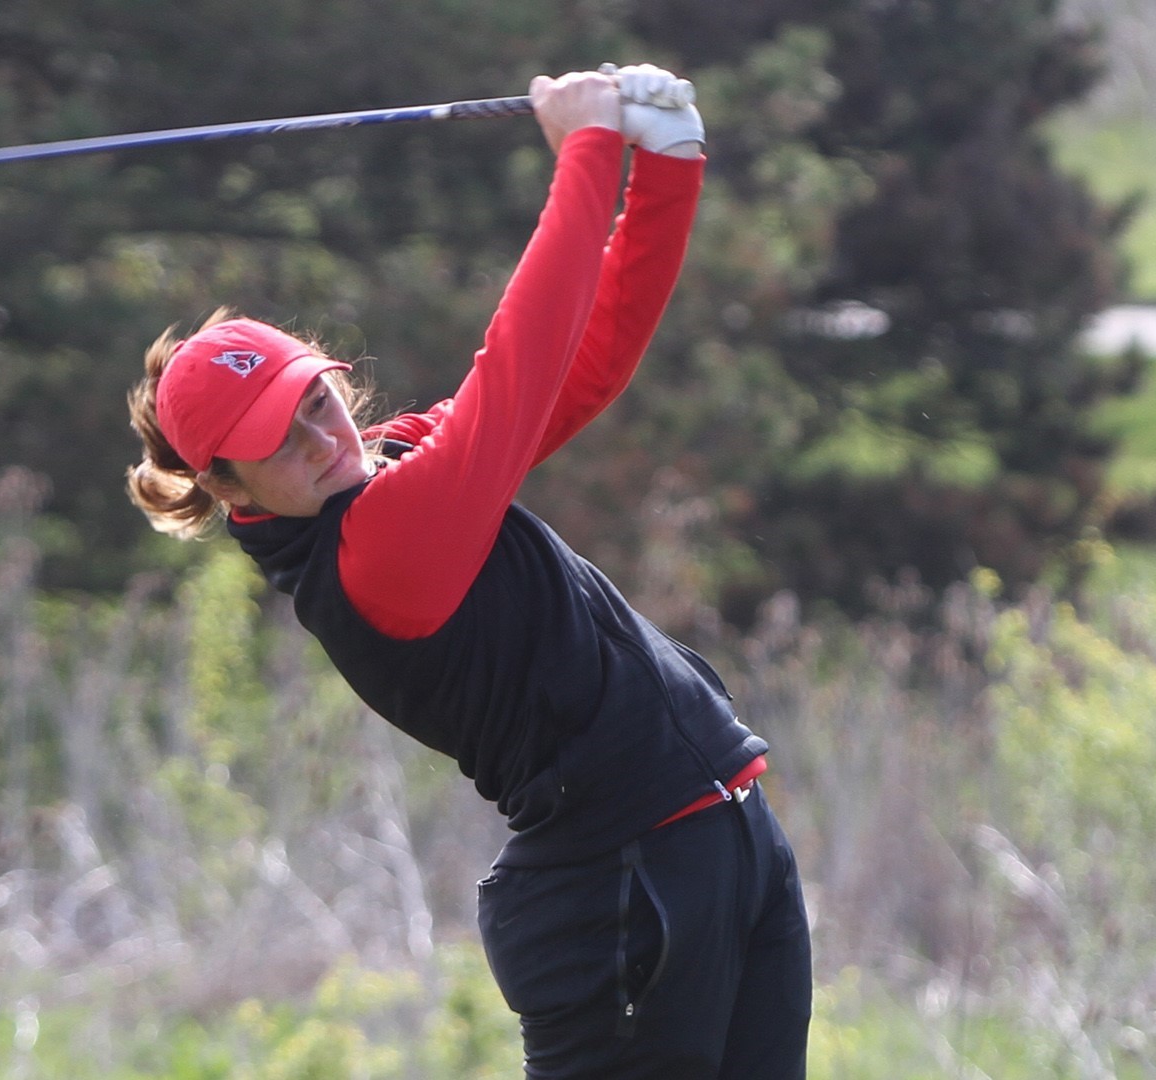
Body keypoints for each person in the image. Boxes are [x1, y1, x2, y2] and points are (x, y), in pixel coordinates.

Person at [125, 65, 811, 1079]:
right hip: (621, 893)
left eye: (315, 399)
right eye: (281, 436)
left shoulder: (393, 469)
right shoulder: (375, 553)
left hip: (711, 842)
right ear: (232, 490)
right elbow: (519, 362)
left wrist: (665, 165)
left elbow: (585, 360)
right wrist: (586, 151)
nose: (324, 436)